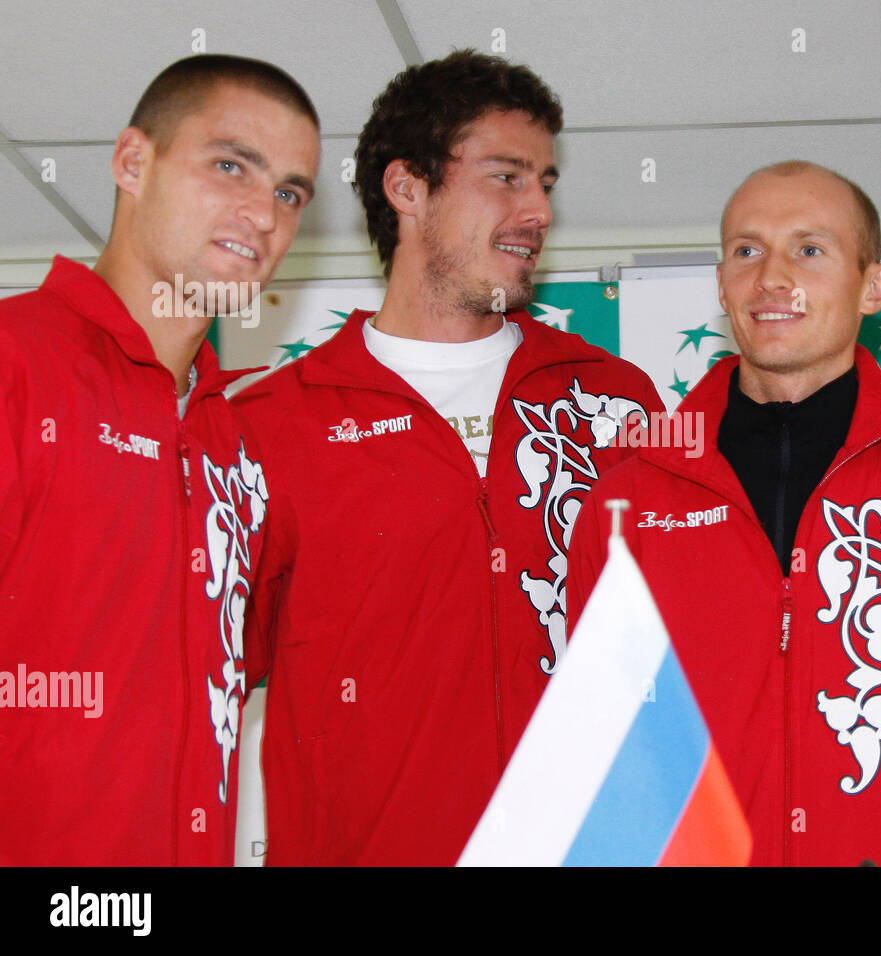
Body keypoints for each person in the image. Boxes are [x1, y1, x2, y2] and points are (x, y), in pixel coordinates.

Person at [233, 50, 662, 865]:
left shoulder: (614, 403)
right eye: (506, 176)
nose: (537, 207)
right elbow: (188, 685)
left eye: (545, 182)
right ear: (408, 189)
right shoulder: (271, 427)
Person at [567, 161, 881, 866]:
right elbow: (598, 745)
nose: (772, 277)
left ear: (872, 286)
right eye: (747, 250)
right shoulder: (624, 507)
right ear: (723, 285)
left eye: (809, 250)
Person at [0, 55, 321, 865]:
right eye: (229, 166)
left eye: (289, 193)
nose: (262, 213)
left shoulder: (237, 441)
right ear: (132, 162)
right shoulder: (16, 366)